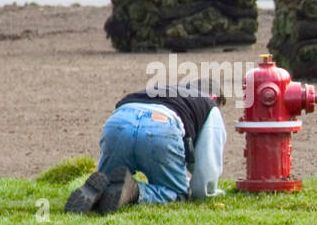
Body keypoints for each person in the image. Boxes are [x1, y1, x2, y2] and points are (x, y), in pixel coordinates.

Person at [66, 85, 227, 215]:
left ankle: (100, 192)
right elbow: (205, 171)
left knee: (107, 181)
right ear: (214, 98)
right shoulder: (210, 106)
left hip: (119, 121)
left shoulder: (168, 91)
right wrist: (206, 191)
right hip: (161, 127)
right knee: (177, 194)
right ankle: (134, 190)